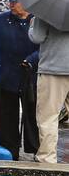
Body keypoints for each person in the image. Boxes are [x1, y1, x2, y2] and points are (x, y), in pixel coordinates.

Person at [0, 0, 39, 161]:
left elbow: (45, 46)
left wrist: (31, 60)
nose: (11, 5)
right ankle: (10, 150)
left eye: (15, 2)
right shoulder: (1, 20)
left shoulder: (38, 21)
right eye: (10, 1)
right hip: (7, 74)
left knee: (34, 113)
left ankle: (35, 148)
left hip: (31, 74)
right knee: (7, 115)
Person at [29, 12, 69, 164]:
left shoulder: (46, 9)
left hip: (53, 69)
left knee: (48, 117)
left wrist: (33, 25)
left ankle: (47, 160)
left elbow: (36, 37)